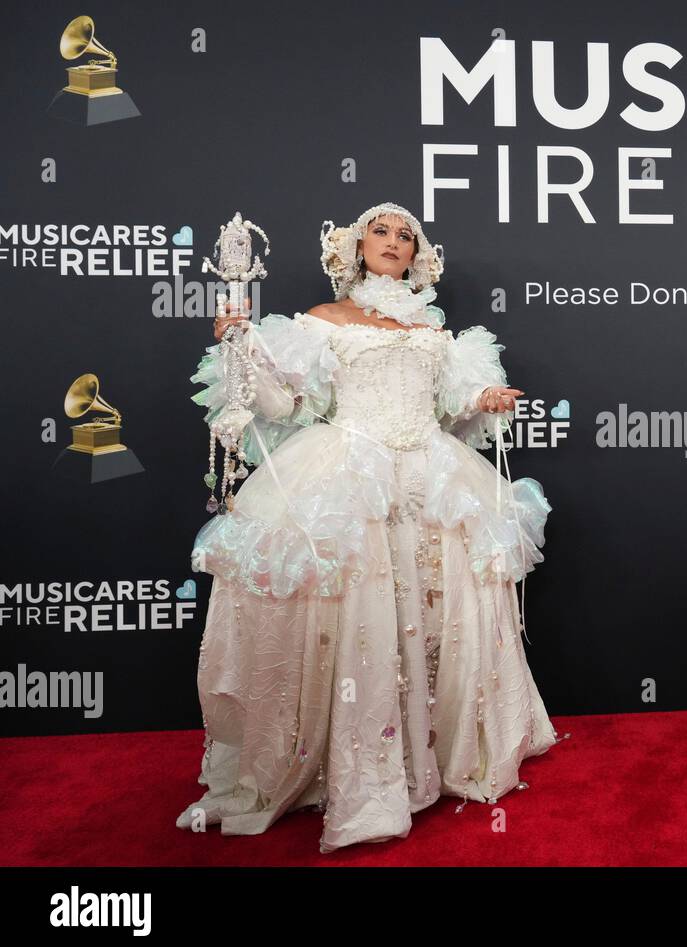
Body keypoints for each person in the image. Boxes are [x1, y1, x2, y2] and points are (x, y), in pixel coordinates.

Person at [176, 201, 563, 853]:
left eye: (405, 234)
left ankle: (437, 758)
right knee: (361, 616)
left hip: (433, 478)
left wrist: (483, 400)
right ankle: (357, 772)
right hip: (351, 473)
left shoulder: (440, 336)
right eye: (379, 231)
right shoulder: (324, 322)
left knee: (446, 609)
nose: (392, 240)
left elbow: (454, 411)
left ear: (418, 255)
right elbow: (286, 405)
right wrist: (242, 348)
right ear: (356, 248)